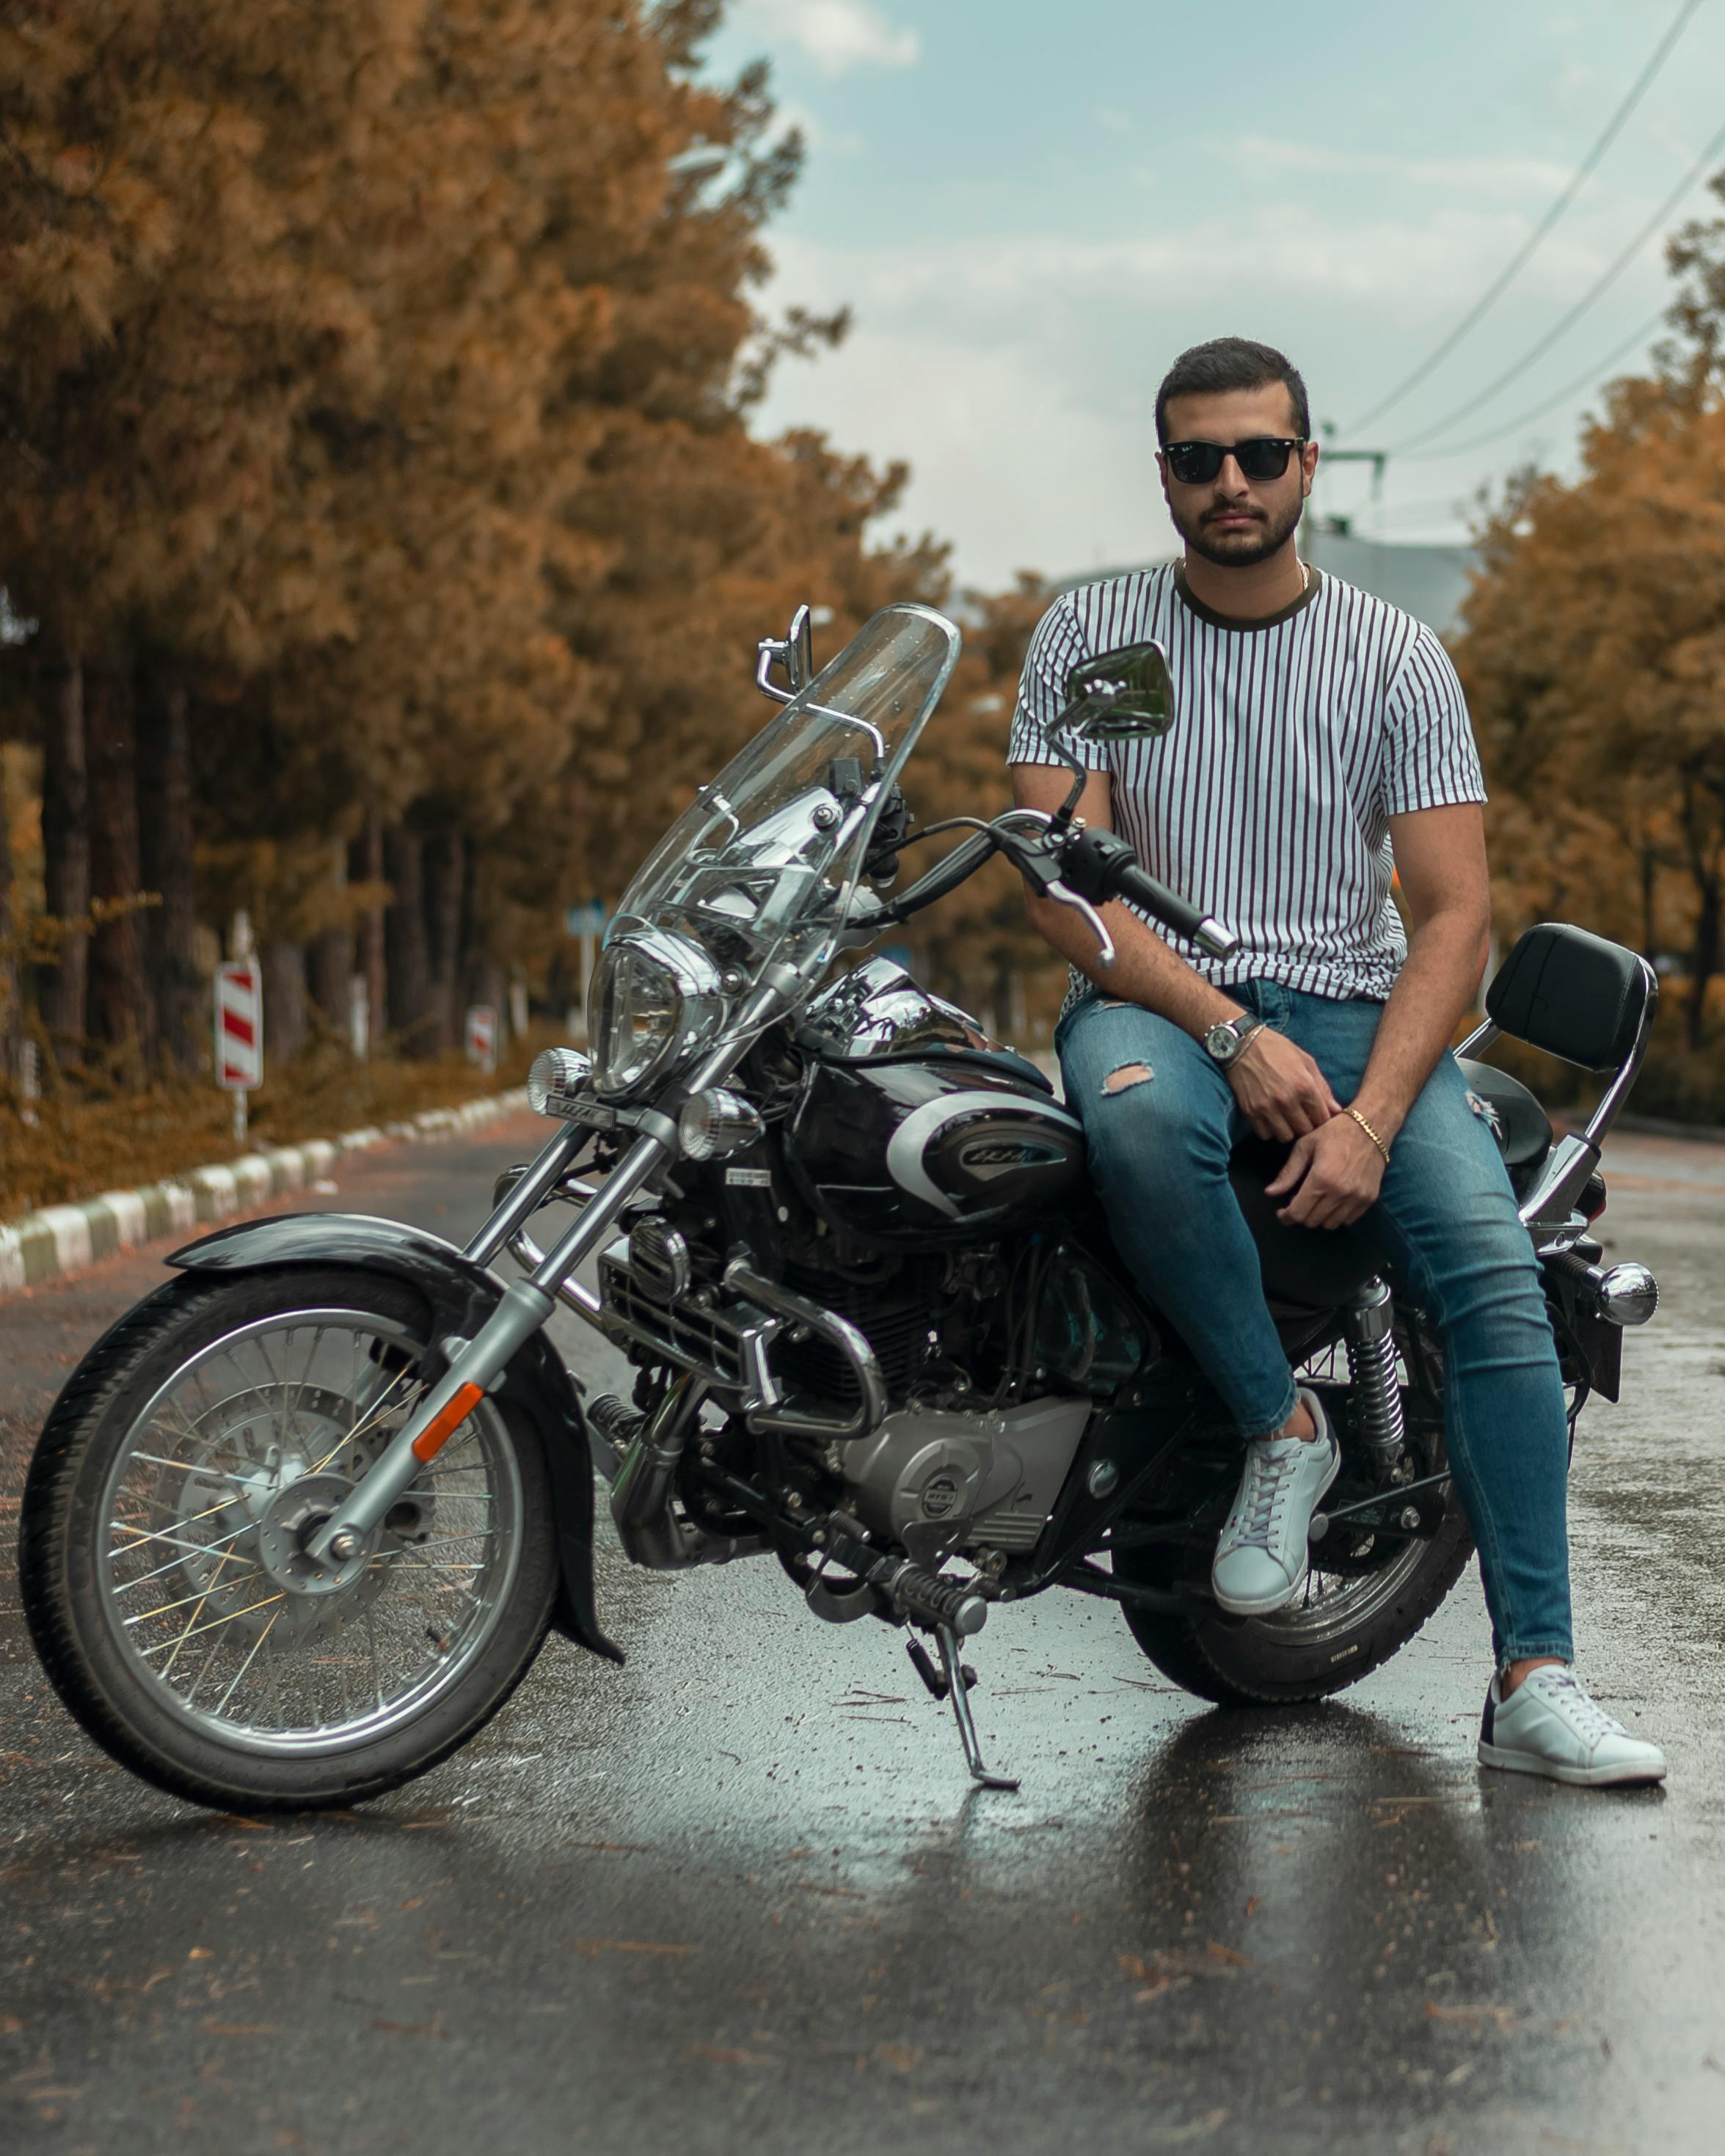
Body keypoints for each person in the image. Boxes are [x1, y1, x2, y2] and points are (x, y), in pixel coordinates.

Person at [1007, 335, 1665, 1788]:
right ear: (1165, 476)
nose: (1228, 482)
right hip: (1159, 1003)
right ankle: (1278, 1420)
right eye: (1197, 458)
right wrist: (1227, 1031)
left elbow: (1453, 915)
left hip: (1363, 1009)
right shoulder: (1097, 640)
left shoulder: (1397, 655)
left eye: (1257, 454)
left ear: (1308, 461)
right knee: (1129, 1136)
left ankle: (1536, 1683)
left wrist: (1370, 1117)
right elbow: (1067, 888)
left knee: (1491, 1281)